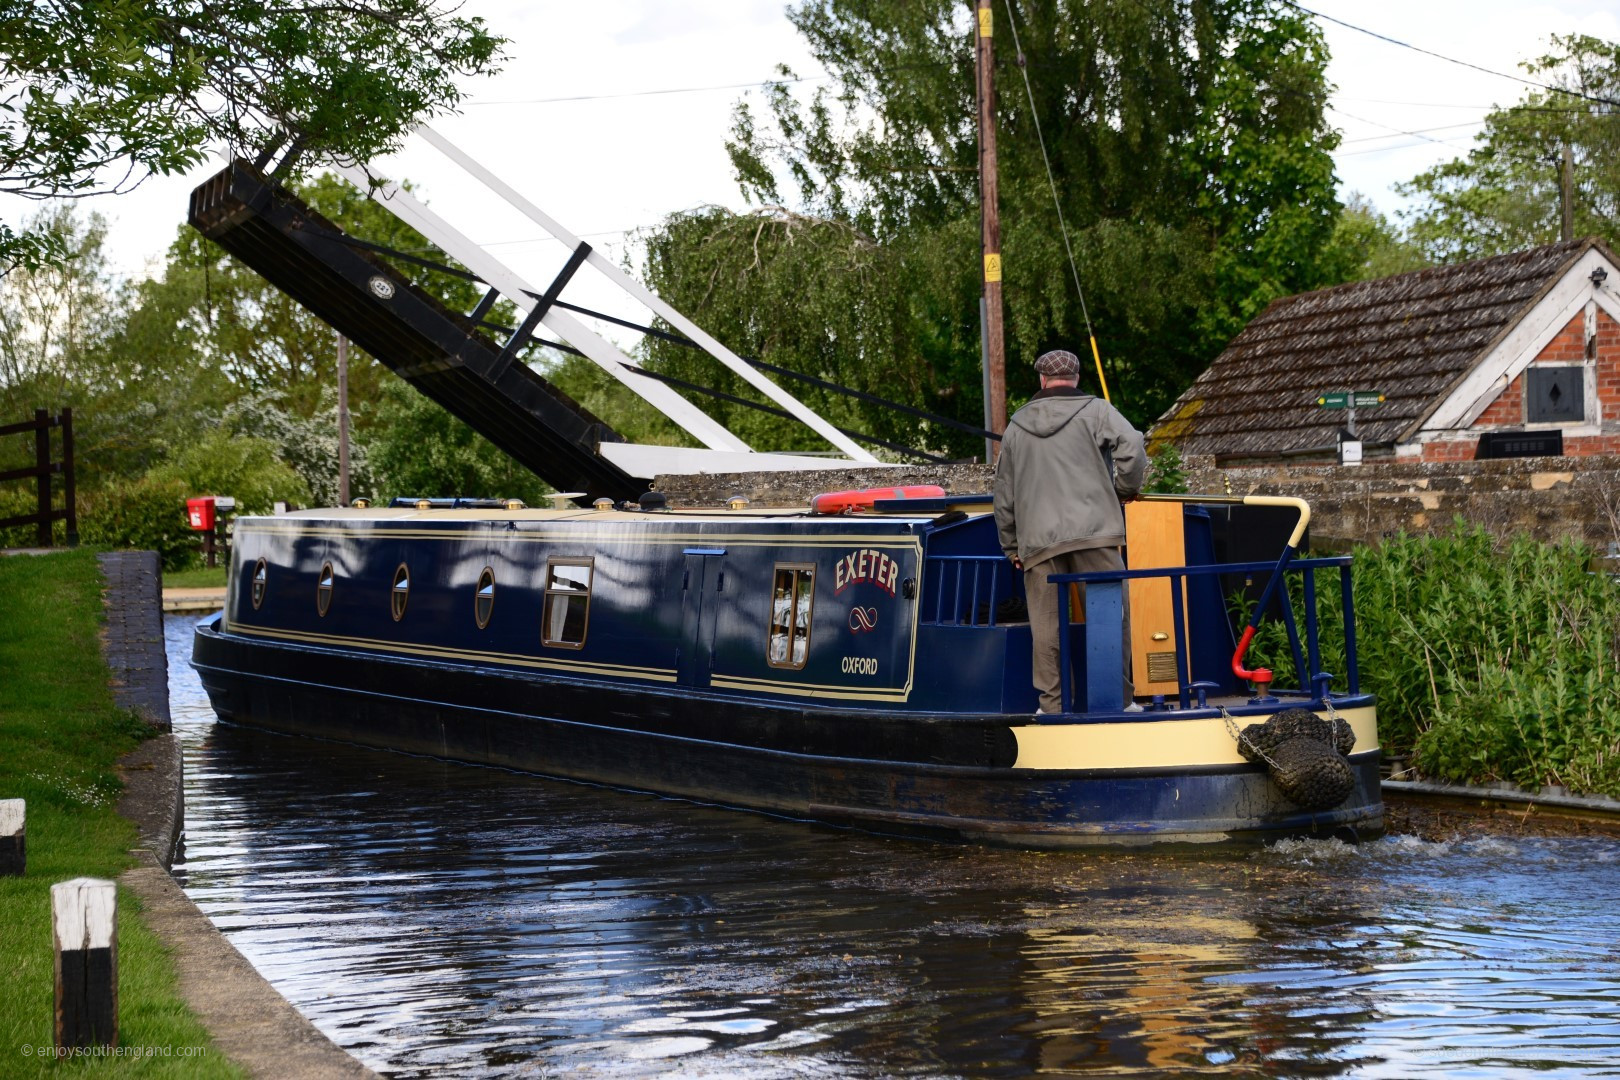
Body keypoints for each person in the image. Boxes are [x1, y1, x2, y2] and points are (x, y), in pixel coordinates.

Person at [993, 348, 1145, 715]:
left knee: (1046, 628)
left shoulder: (1016, 427)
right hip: (1096, 532)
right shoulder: (1098, 411)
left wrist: (1011, 545)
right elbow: (1133, 446)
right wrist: (1123, 490)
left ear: (1041, 381)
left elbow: (1004, 493)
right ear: (1076, 378)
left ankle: (1052, 707)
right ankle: (1118, 704)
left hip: (1038, 540)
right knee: (1110, 614)